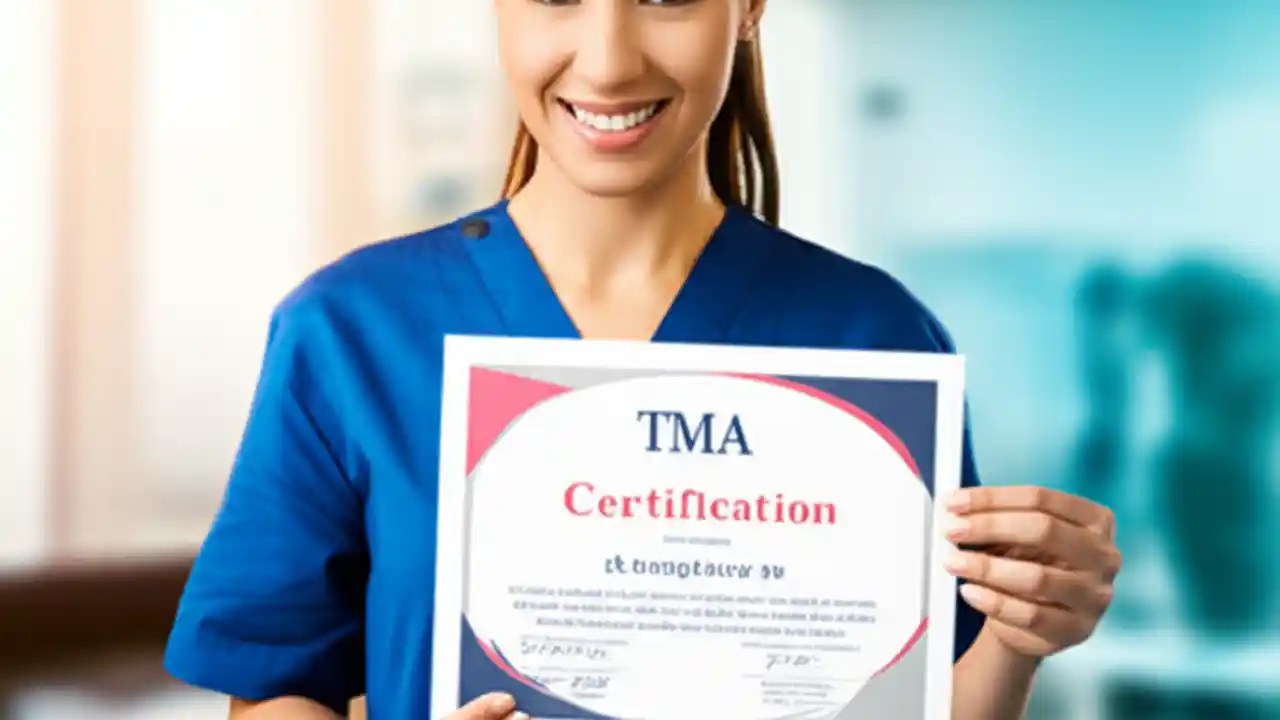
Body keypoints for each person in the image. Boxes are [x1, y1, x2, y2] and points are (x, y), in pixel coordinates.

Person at [163, 1, 1122, 718]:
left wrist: (1015, 640)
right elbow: (272, 689)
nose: (610, 60)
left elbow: (915, 703)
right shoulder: (350, 333)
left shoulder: (873, 339)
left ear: (747, 8)